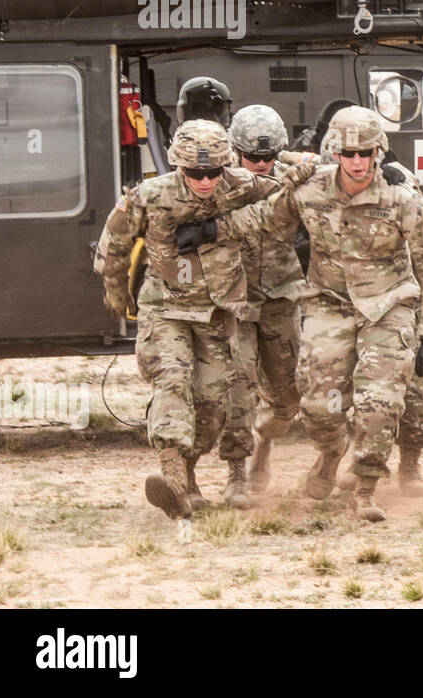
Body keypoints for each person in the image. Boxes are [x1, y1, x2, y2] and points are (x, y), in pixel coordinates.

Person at [185, 106, 423, 522]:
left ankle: (366, 488)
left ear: (379, 152)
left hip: (388, 308)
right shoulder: (310, 189)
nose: (358, 162)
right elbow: (262, 216)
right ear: (335, 153)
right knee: (319, 407)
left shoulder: (400, 197)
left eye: (367, 152)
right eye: (349, 153)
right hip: (330, 308)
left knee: (379, 402)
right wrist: (211, 230)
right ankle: (330, 454)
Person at [93, 120, 295, 521]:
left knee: (213, 403)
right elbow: (112, 246)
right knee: (172, 378)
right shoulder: (150, 196)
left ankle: (186, 471)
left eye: (212, 172)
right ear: (177, 166)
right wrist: (117, 295)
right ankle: (172, 476)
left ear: (225, 165)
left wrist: (310, 166)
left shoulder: (241, 185)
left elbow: (288, 198)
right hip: (166, 309)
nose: (204, 180)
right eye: (195, 173)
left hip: (216, 313)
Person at [216, 104, 306, 504]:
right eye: (252, 157)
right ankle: (237, 473)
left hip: (281, 300)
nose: (261, 164)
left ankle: (265, 443)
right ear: (236, 152)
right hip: (234, 303)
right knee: (238, 389)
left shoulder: (294, 182)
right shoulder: (215, 184)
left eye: (269, 156)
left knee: (288, 398)